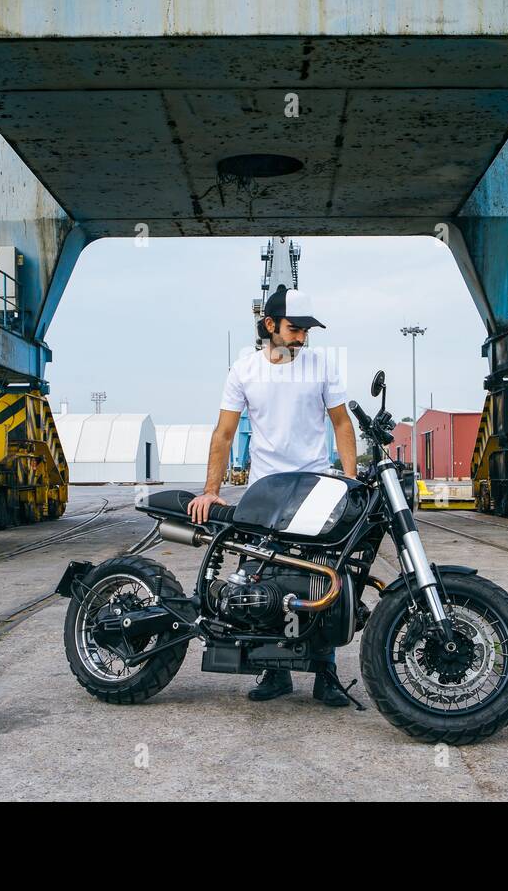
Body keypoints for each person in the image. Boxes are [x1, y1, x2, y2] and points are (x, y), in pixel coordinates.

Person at [188, 284, 358, 706]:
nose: (302, 337)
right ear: (269, 325)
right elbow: (225, 433)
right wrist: (211, 491)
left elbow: (342, 425)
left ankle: (326, 674)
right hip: (264, 495)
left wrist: (350, 483)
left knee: (321, 577)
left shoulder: (321, 366)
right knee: (261, 579)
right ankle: (273, 672)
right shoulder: (244, 370)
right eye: (294, 328)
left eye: (307, 330)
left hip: (316, 489)